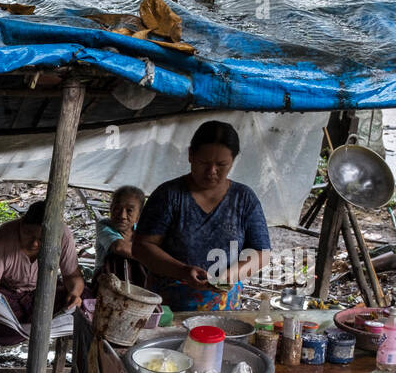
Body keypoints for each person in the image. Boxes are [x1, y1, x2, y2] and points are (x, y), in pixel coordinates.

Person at [132, 120, 272, 311]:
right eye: (204, 163)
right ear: (191, 155)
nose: (211, 171)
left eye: (221, 164)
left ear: (233, 161)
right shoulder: (169, 195)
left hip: (224, 308)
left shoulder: (244, 199)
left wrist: (231, 275)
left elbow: (261, 253)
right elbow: (142, 247)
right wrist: (182, 271)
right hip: (168, 309)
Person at [0, 200, 87, 346]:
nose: (34, 243)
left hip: (44, 291)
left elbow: (73, 276)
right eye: (28, 234)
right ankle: (23, 330)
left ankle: (23, 331)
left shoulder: (62, 235)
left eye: (42, 239)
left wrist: (74, 294)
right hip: (8, 293)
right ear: (21, 223)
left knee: (86, 300)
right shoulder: (4, 235)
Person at [94, 185, 150, 291]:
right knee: (119, 257)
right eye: (117, 208)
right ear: (110, 209)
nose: (122, 215)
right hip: (105, 286)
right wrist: (153, 258)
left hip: (138, 287)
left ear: (139, 215)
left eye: (129, 210)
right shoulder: (104, 225)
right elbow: (119, 247)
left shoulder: (143, 231)